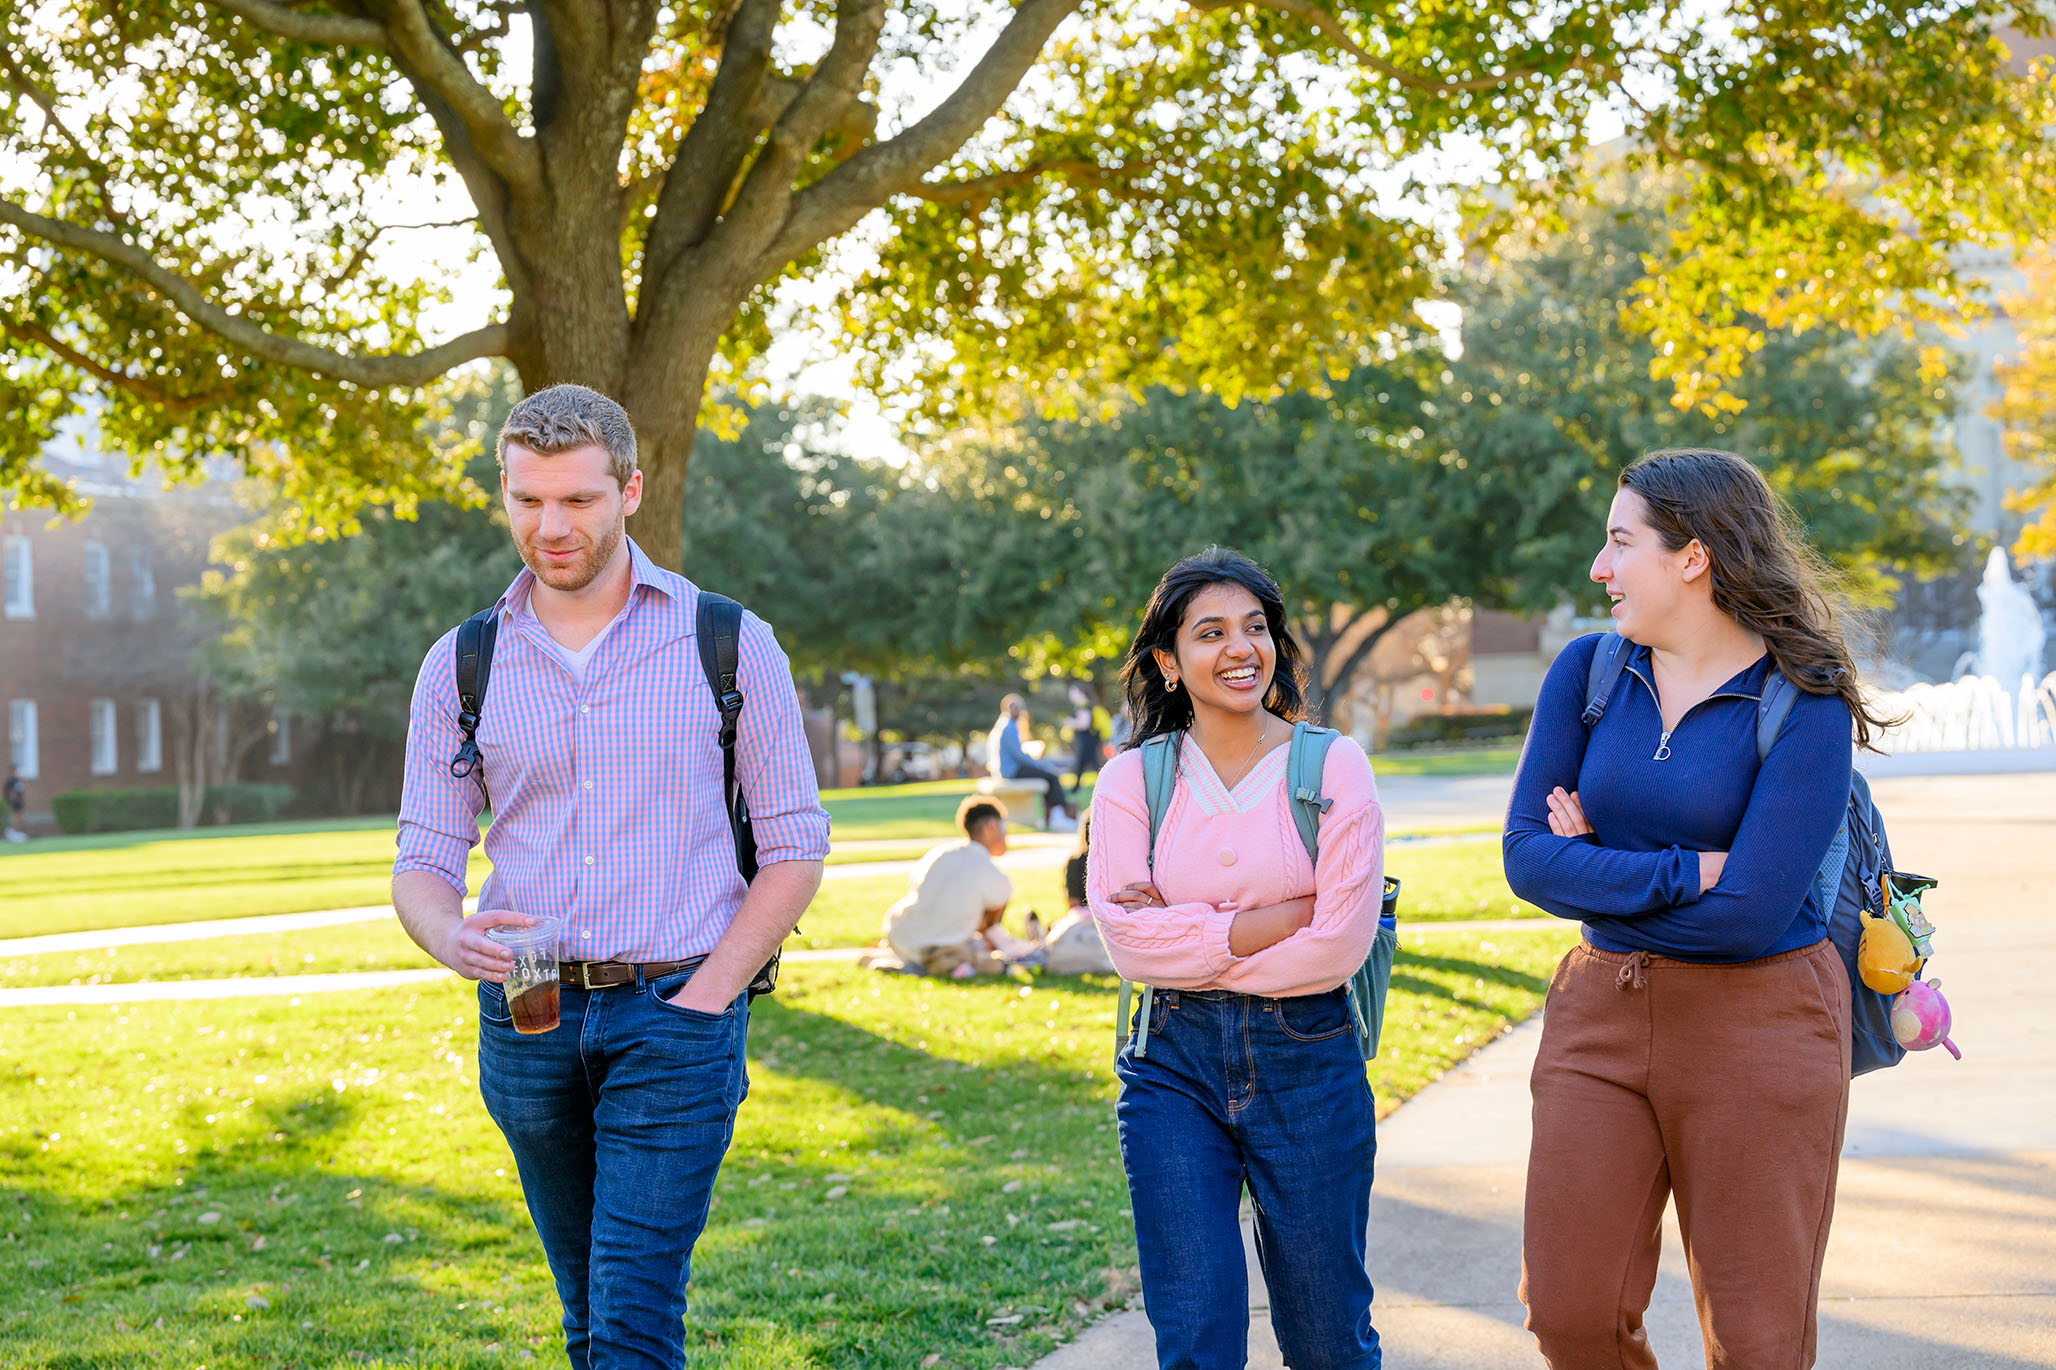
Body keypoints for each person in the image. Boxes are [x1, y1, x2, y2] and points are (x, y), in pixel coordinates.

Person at [391, 383, 829, 1370]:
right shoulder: (461, 663)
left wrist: (709, 998)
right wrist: (445, 931)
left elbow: (796, 844)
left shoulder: (728, 643)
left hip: (678, 1004)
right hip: (526, 1003)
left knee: (631, 1313)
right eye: (527, 499)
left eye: (578, 500)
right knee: (589, 1311)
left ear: (630, 491)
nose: (550, 527)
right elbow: (423, 855)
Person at [1502, 449, 1890, 1370]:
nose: (1598, 567)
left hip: (1761, 1021)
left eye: (1619, 542)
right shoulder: (1589, 674)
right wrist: (1689, 871)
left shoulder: (1805, 701)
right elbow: (1525, 858)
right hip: (1601, 1016)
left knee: (1758, 1342)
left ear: (1693, 556)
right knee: (1570, 1313)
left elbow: (1749, 917)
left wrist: (1594, 867)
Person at [1088, 546, 1386, 1370]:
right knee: (1196, 1338)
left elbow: (1338, 945)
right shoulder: (1130, 782)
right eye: (1211, 632)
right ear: (1168, 661)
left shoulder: (1332, 765)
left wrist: (1185, 938)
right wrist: (1272, 921)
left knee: (1329, 1340)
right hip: (1171, 1066)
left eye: (1255, 627)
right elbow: (1127, 942)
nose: (1240, 648)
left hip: (1310, 1057)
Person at [879, 796, 1019, 976]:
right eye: (1004, 828)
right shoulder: (992, 874)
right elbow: (989, 929)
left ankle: (909, 965)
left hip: (901, 935)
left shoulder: (940, 853)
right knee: (992, 962)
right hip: (941, 947)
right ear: (992, 827)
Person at [1041, 804, 1116, 976]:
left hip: (1083, 923)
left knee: (1055, 928)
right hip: (1109, 926)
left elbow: (1073, 905)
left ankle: (1039, 936)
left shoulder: (1076, 862)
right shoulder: (1115, 862)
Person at [987, 693, 1078, 829]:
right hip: (1011, 771)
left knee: (1047, 775)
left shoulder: (1001, 724)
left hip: (1006, 770)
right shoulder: (1009, 727)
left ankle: (1056, 814)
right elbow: (1020, 755)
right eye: (1017, 707)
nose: (1020, 711)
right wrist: (1040, 765)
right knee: (1051, 777)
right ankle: (1058, 816)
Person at [1063, 683, 1103, 785]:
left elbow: (1084, 724)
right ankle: (1076, 786)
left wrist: (1070, 722)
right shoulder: (1086, 705)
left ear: (1081, 693)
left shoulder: (1083, 706)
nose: (1070, 695)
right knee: (1090, 763)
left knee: (1090, 763)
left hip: (1087, 739)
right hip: (1090, 739)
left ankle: (1076, 786)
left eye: (1073, 692)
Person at [3, 768, 26, 842]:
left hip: (19, 801)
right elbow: (10, 792)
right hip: (15, 802)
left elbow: (21, 791)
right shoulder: (11, 781)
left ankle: (18, 832)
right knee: (15, 817)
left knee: (20, 817)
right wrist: (13, 799)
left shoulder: (18, 781)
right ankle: (13, 833)